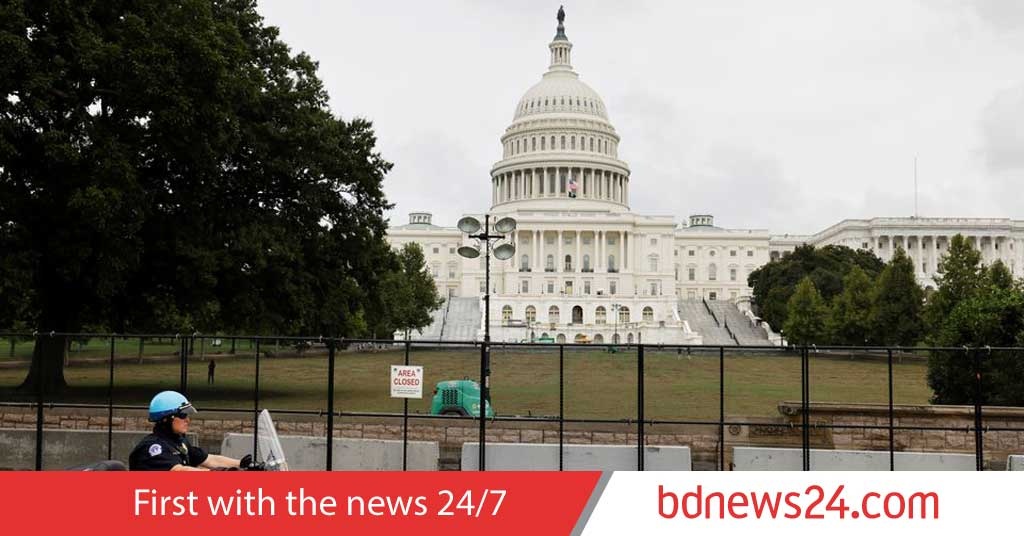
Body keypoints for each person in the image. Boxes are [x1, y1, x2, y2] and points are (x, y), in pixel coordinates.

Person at [129, 390, 256, 471]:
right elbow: (179, 471)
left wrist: (243, 464)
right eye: (183, 415)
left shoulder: (178, 442)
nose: (188, 420)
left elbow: (211, 460)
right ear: (167, 419)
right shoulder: (153, 448)